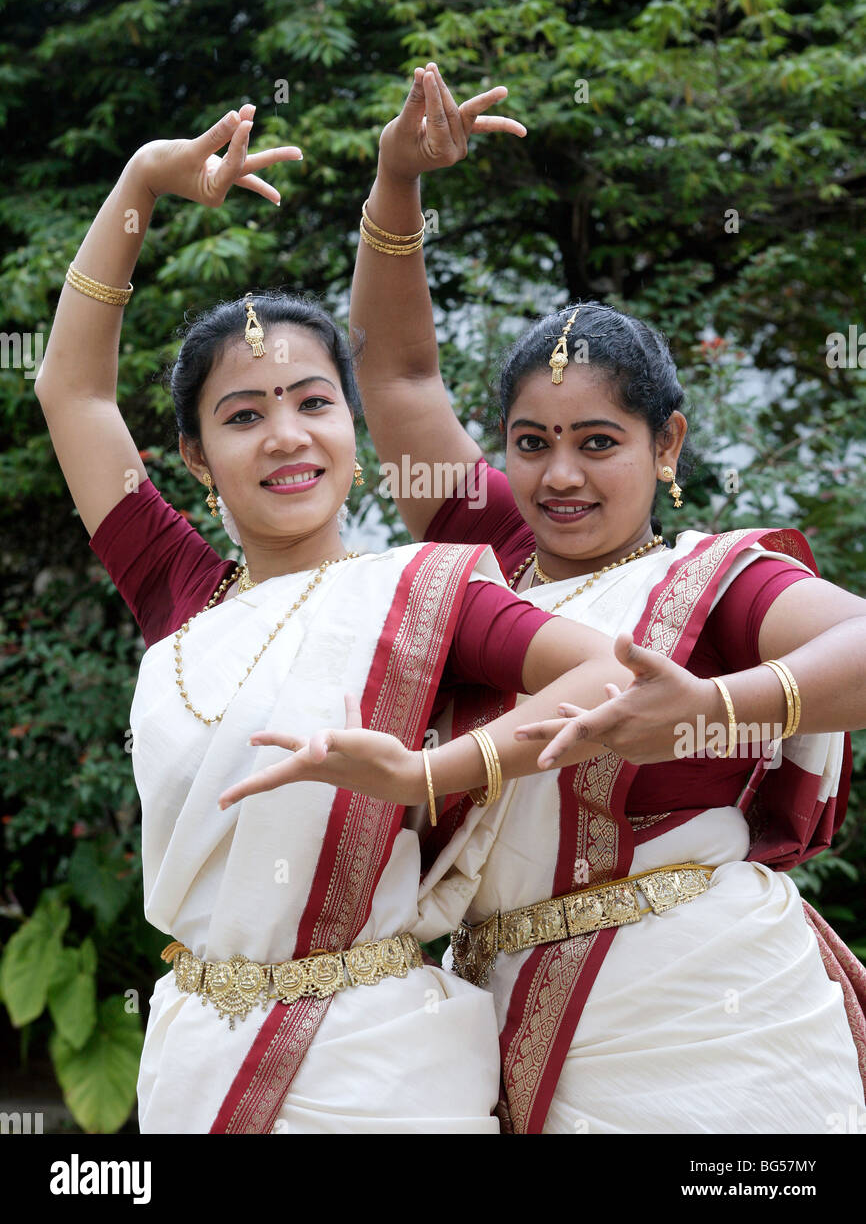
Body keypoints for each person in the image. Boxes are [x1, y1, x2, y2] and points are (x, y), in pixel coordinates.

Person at [33, 103, 715, 1135]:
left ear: (351, 429)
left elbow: (616, 676)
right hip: (195, 1060)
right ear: (194, 458)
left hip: (376, 1068)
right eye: (243, 415)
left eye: (313, 402)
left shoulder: (424, 592)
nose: (285, 436)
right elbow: (71, 390)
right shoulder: (179, 591)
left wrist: (432, 773)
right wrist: (136, 187)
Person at [321, 61, 866, 1134]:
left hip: (710, 1014)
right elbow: (393, 380)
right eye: (530, 444)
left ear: (665, 445)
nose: (558, 475)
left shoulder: (718, 582)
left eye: (596, 443)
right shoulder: (482, 559)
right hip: (500, 1010)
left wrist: (711, 708)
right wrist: (395, 182)